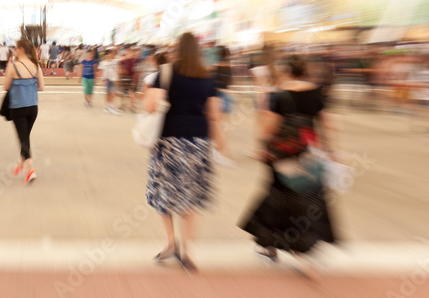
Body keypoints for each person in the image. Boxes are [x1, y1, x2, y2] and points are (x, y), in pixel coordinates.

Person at [239, 54, 340, 279]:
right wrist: (331, 151)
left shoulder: (278, 95)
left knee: (277, 197)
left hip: (281, 153)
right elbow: (329, 124)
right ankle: (286, 246)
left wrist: (261, 147)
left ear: (285, 71)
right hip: (308, 154)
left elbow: (268, 128)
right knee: (306, 197)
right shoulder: (317, 92)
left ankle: (276, 246)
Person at [141, 33, 223, 273]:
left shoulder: (164, 74)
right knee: (190, 198)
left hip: (169, 141)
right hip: (198, 143)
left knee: (162, 192)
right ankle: (189, 253)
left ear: (176, 50)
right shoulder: (207, 77)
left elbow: (149, 106)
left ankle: (170, 243)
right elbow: (214, 114)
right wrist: (220, 141)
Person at [4, 38, 44, 185]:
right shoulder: (36, 65)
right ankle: (20, 166)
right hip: (33, 107)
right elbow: (41, 87)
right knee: (24, 137)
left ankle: (31, 170)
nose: (14, 49)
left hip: (18, 107)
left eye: (15, 47)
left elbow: (5, 86)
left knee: (23, 139)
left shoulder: (13, 65)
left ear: (20, 49)